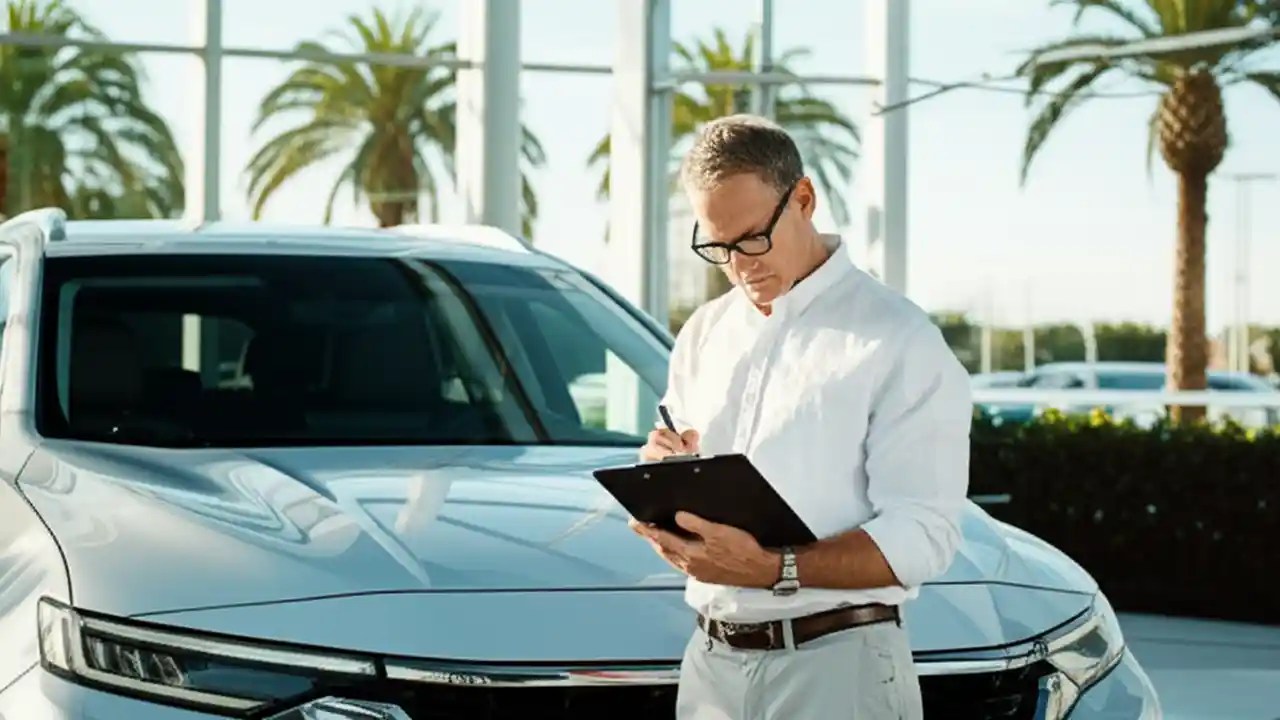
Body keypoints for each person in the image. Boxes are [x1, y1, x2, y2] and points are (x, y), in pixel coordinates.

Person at [631, 114, 972, 719]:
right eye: (720, 248)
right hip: (709, 667)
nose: (741, 266)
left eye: (753, 238)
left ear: (805, 199)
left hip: (839, 670)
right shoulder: (705, 333)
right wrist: (663, 473)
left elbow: (925, 532)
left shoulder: (898, 339)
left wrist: (773, 569)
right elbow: (679, 458)